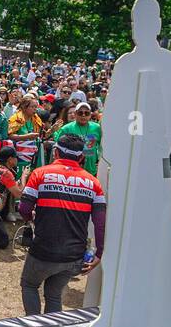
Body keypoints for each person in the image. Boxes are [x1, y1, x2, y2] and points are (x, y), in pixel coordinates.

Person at [17, 134, 105, 314]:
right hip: (73, 255)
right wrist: (100, 252)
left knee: (29, 285)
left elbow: (24, 208)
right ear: (81, 157)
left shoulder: (40, 173)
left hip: (43, 250)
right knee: (54, 294)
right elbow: (100, 222)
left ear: (56, 152)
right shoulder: (94, 183)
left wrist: (32, 217)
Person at [55, 102, 102, 175]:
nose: (83, 115)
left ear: (90, 115)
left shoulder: (97, 128)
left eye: (86, 113)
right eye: (80, 113)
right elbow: (57, 148)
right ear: (75, 114)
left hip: (91, 171)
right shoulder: (66, 128)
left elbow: (102, 147)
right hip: (71, 171)